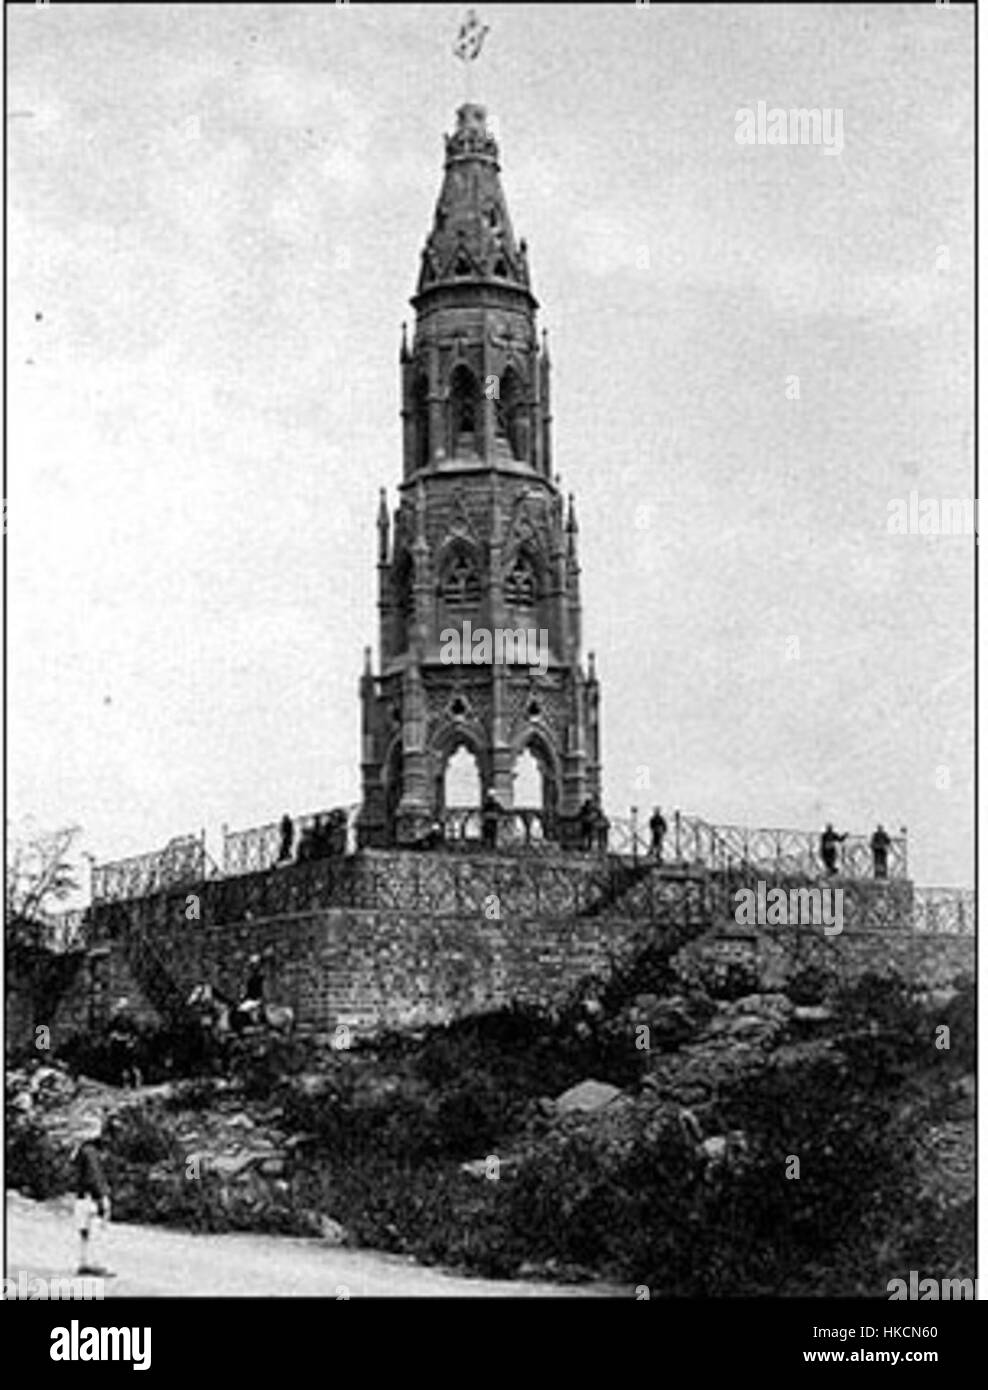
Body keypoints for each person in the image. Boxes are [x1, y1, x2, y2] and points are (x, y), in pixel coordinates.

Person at [74, 1119, 114, 1277]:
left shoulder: (79, 1150)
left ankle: (83, 1262)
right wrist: (103, 1196)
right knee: (97, 1231)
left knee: (84, 1232)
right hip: (91, 1197)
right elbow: (94, 1176)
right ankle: (97, 1264)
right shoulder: (90, 1151)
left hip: (81, 1196)